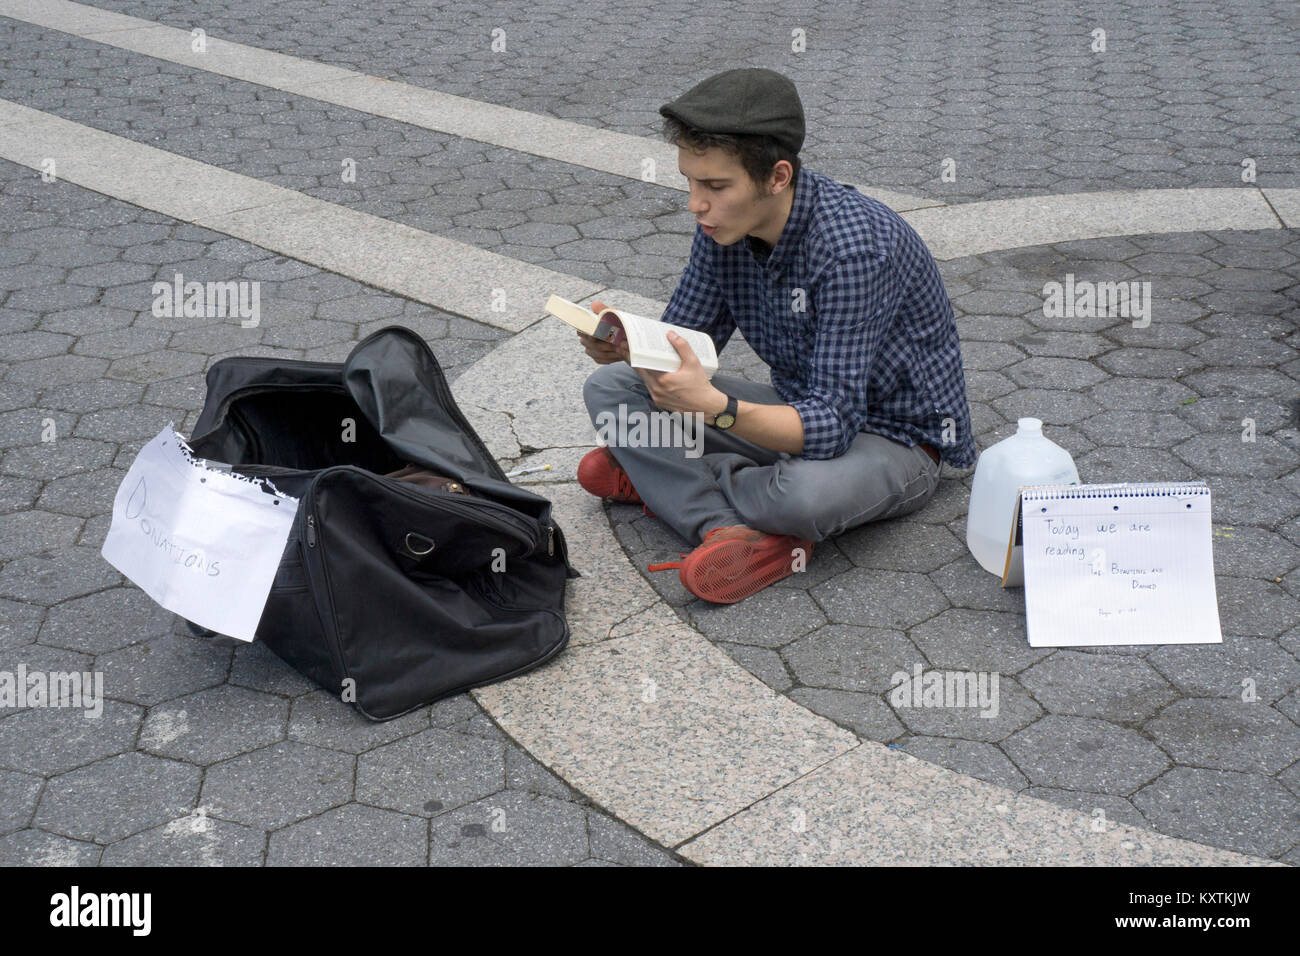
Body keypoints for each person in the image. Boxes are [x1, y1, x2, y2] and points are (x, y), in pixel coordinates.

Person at [577, 67, 976, 604]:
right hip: (797, 409)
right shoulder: (723, 228)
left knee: (801, 498)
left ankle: (666, 479)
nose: (696, 203)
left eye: (716, 186)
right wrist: (627, 346)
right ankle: (722, 526)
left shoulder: (855, 249)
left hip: (894, 439)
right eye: (691, 181)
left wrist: (715, 411)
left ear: (778, 176)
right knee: (612, 389)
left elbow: (834, 425)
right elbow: (688, 342)